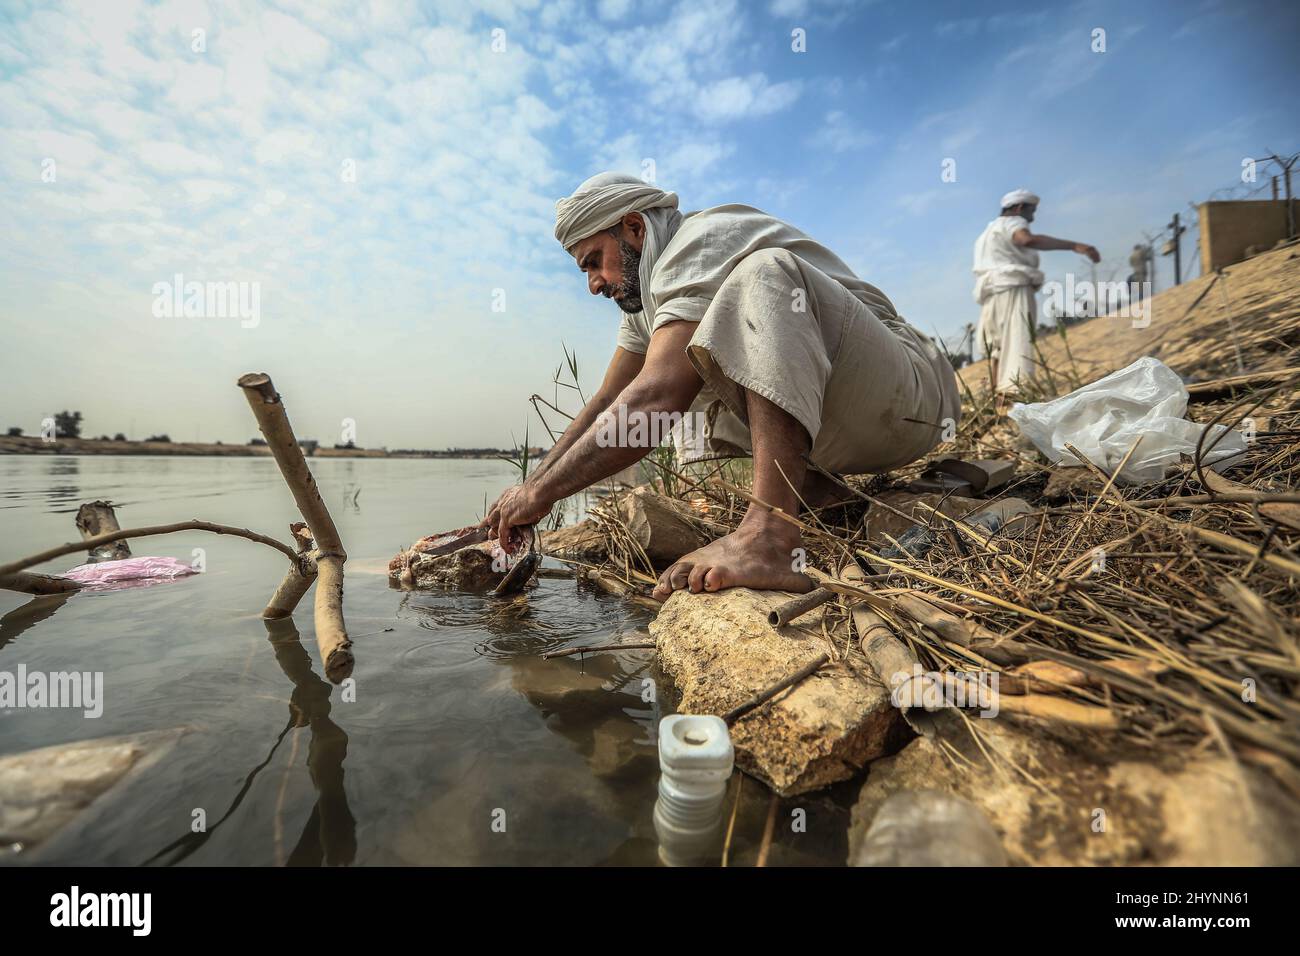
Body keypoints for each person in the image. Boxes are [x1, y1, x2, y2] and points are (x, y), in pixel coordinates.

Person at [483, 172, 960, 598]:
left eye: (594, 262)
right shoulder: (647, 302)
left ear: (633, 228)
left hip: (913, 392)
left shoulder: (698, 241)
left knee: (762, 276)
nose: (593, 284)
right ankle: (817, 491)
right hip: (855, 427)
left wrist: (545, 494)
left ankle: (770, 535)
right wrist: (531, 488)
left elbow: (657, 397)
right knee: (673, 353)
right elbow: (607, 400)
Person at [973, 189, 1100, 399]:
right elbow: (1026, 240)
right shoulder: (1013, 222)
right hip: (1013, 287)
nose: (1033, 217)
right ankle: (1014, 395)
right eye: (1032, 211)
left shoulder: (986, 234)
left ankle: (996, 397)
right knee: (1017, 338)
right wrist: (1074, 246)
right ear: (1019, 208)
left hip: (991, 292)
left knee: (997, 344)